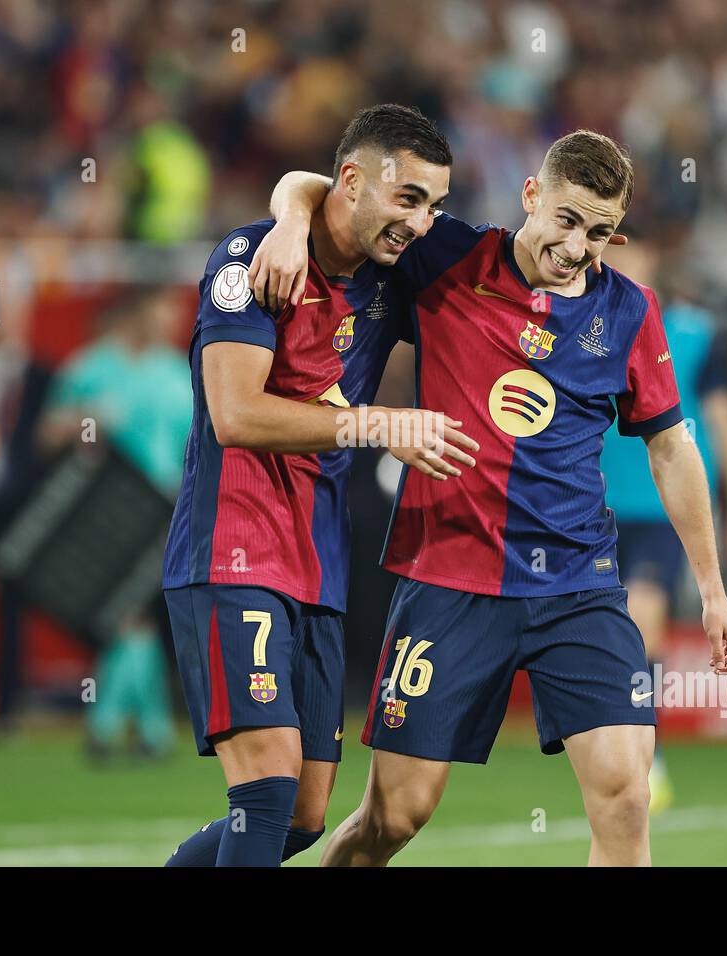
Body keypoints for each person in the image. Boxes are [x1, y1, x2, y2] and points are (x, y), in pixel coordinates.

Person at [261, 128, 727, 866]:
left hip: (578, 585)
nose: (580, 246)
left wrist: (712, 591)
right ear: (531, 196)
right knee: (395, 816)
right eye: (568, 220)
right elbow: (320, 186)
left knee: (626, 792)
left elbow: (672, 446)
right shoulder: (449, 255)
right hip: (450, 578)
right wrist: (292, 226)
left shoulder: (630, 312)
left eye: (602, 233)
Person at [161, 104, 477, 867]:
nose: (422, 223)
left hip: (318, 569)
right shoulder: (248, 262)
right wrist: (375, 424)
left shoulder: (387, 277)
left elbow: (307, 187)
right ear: (354, 181)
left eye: (434, 205)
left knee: (302, 817)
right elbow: (235, 414)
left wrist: (577, 251)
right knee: (266, 791)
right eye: (409, 199)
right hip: (233, 550)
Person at [598, 250, 727, 813]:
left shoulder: (694, 334)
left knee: (642, 626)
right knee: (606, 636)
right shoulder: (582, 325)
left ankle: (651, 756)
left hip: (660, 509)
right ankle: (616, 752)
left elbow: (725, 421)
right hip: (590, 508)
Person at [38, 287, 195, 758]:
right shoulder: (90, 369)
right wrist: (85, 421)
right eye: (162, 307)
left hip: (167, 511)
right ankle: (142, 728)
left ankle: (119, 726)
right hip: (105, 511)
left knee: (133, 617)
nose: (170, 319)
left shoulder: (177, 373)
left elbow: (200, 448)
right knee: (128, 617)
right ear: (136, 310)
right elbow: (46, 435)